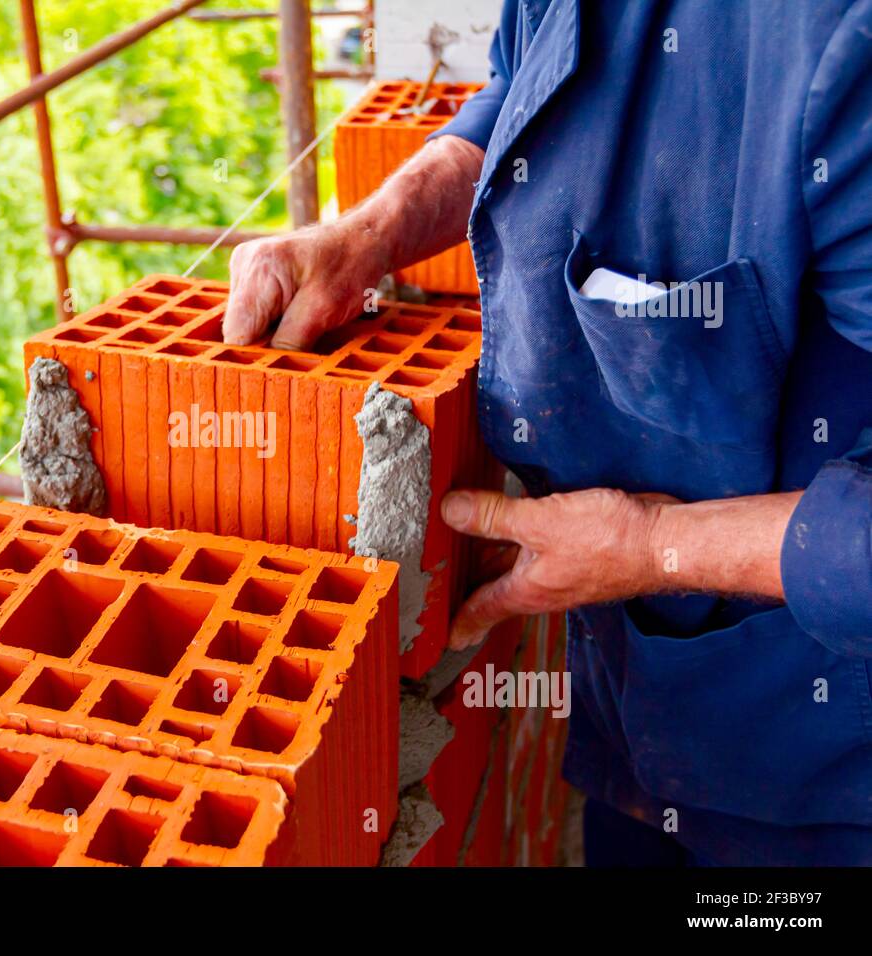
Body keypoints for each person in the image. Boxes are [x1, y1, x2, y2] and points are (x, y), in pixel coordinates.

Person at [223, 0, 872, 866]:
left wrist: (651, 547)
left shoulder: (840, 49)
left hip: (819, 764)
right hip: (636, 700)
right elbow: (510, 105)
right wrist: (369, 232)